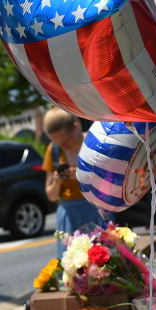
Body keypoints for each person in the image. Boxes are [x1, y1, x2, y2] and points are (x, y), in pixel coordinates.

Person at [42, 108, 112, 258]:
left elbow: (112, 185)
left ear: (76, 126)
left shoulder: (96, 143)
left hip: (96, 209)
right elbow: (51, 196)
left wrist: (84, 177)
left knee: (105, 262)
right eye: (58, 143)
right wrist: (57, 181)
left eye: (66, 141)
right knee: (74, 267)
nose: (63, 146)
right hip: (69, 215)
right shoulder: (53, 151)